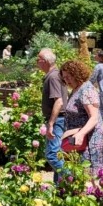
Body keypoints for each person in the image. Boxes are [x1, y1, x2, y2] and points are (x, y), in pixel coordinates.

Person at [59, 59, 103, 174]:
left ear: (77, 74)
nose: (66, 80)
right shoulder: (76, 89)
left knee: (91, 175)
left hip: (91, 140)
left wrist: (80, 133)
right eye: (64, 78)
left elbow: (94, 118)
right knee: (80, 173)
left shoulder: (87, 90)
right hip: (79, 140)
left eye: (69, 76)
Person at [38, 48, 67, 179]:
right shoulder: (55, 75)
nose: (37, 62)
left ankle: (71, 179)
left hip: (57, 119)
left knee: (52, 155)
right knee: (58, 154)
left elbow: (59, 102)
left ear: (45, 61)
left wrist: (51, 123)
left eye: (38, 59)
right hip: (59, 119)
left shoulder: (53, 77)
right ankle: (60, 186)